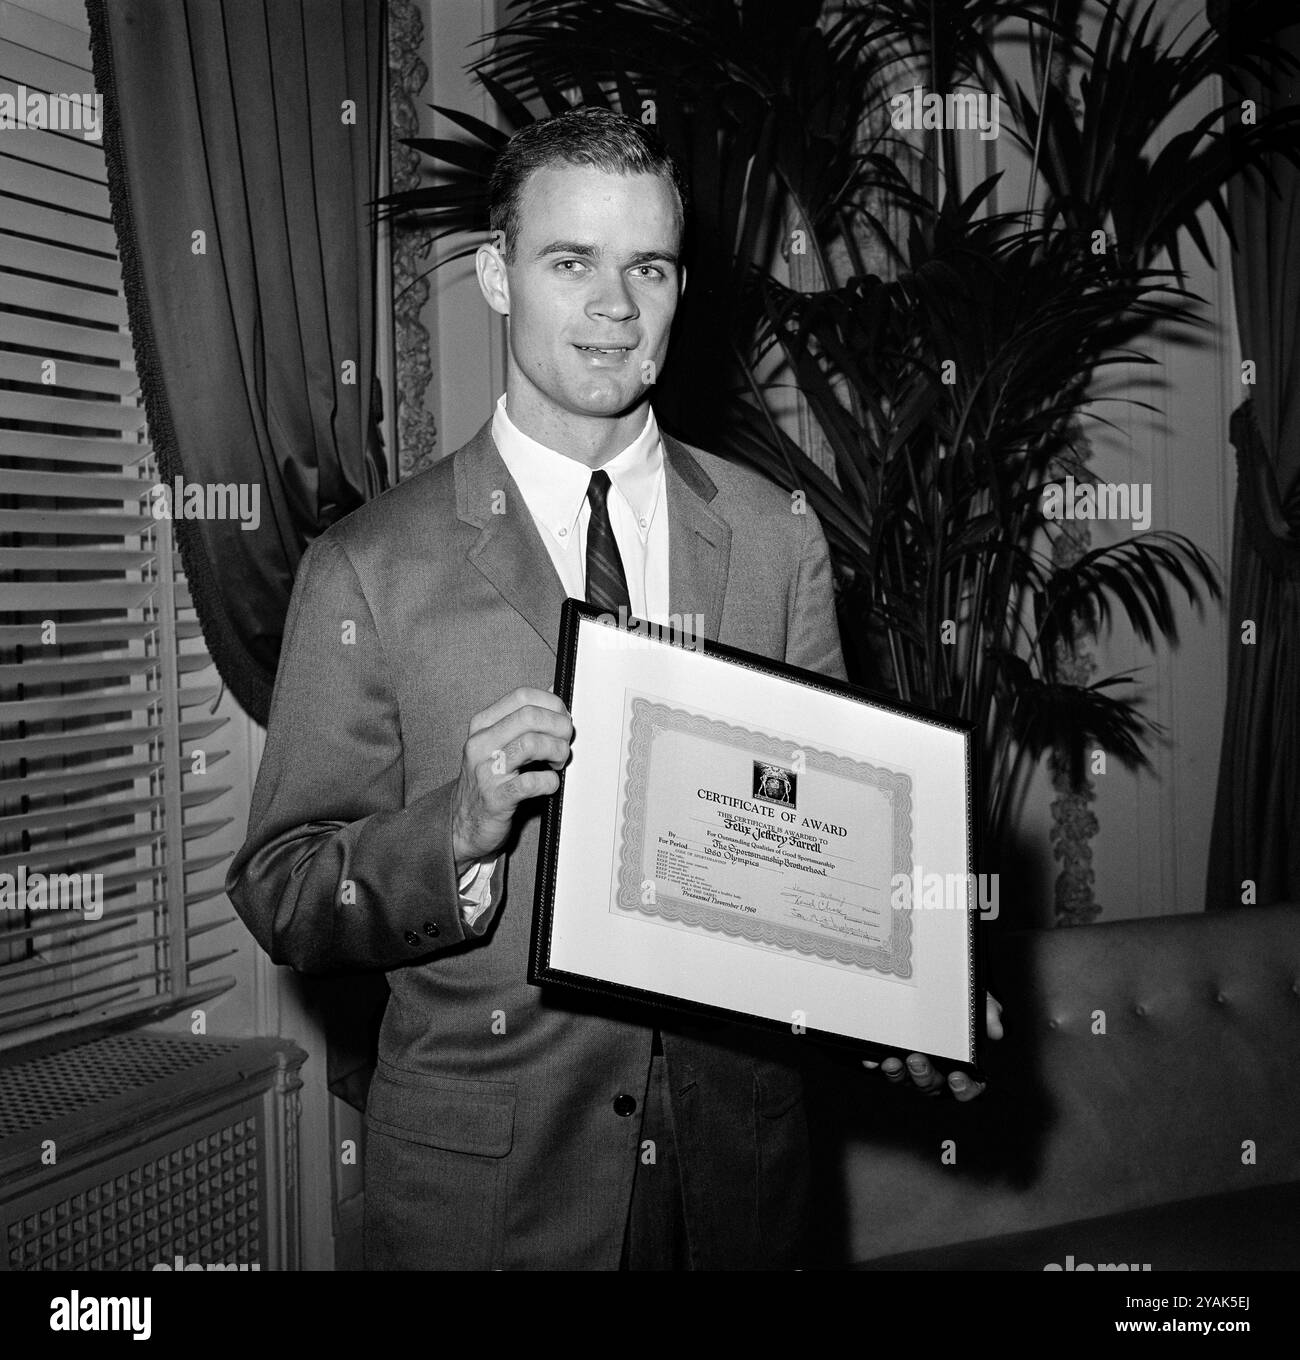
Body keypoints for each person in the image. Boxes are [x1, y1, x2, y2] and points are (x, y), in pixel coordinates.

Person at [227, 107, 997, 1271]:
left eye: (646, 267)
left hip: (745, 1187)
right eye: (570, 261)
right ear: (497, 275)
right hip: (490, 1199)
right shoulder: (366, 566)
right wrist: (460, 833)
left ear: (682, 287)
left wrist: (908, 998)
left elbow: (830, 848)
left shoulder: (772, 536)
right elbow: (284, 889)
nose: (614, 307)